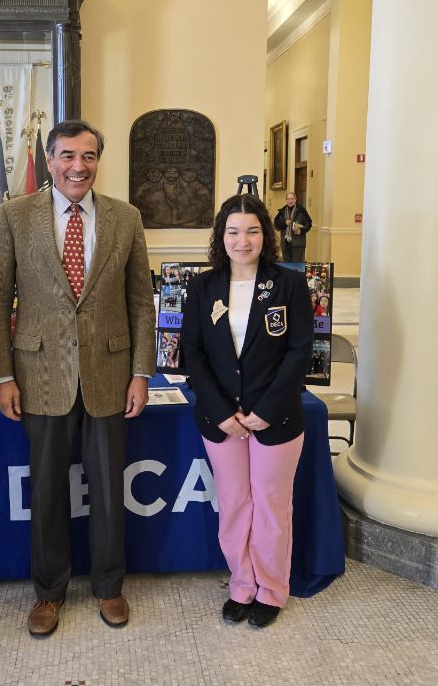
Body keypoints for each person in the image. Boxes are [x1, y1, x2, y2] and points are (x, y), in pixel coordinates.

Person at [0, 119, 156, 636]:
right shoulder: (15, 215)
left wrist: (141, 372)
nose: (77, 166)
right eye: (66, 156)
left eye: (88, 156)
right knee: (48, 492)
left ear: (98, 160)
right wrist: (1, 376)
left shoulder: (126, 218)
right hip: (39, 376)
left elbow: (141, 303)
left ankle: (109, 587)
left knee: (107, 490)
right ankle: (49, 593)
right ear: (50, 159)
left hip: (110, 372)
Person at [181, 193, 313, 629]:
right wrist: (220, 411)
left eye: (252, 231)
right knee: (235, 502)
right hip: (222, 421)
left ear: (265, 234)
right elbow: (193, 353)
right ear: (222, 236)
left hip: (276, 418)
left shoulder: (290, 283)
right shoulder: (202, 286)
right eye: (233, 231)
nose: (243, 240)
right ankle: (242, 584)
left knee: (272, 503)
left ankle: (272, 589)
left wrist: (267, 409)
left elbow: (299, 352)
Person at [274, 192, 312, 262]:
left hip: (298, 243)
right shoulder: (282, 211)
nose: (290, 201)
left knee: (297, 266)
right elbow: (276, 224)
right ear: (286, 200)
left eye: (292, 199)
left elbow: (309, 223)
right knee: (287, 266)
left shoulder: (301, 210)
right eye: (288, 199)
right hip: (285, 243)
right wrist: (284, 223)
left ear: (295, 199)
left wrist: (301, 231)